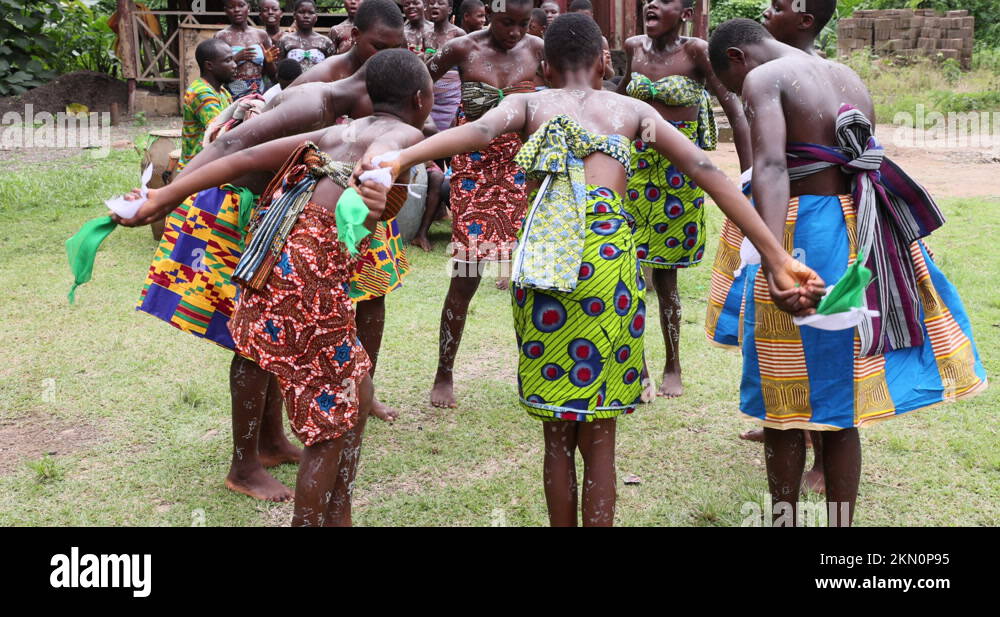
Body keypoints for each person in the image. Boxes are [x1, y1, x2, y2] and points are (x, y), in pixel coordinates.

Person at [358, 14, 823, 526]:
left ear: (545, 66)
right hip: (609, 266)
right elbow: (707, 170)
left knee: (556, 437)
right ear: (605, 62)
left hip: (544, 264)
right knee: (600, 438)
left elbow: (479, 132)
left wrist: (400, 158)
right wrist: (777, 257)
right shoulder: (631, 109)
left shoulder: (528, 103)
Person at [125, 49, 433, 526]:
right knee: (328, 431)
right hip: (309, 290)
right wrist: (381, 169)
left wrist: (163, 196)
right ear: (421, 97)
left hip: (264, 276)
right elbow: (388, 147)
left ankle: (339, 513)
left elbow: (241, 154)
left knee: (355, 387)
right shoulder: (402, 133)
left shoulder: (336, 132)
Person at [708, 18, 987, 526]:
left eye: (730, 90)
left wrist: (775, 259)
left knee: (783, 399)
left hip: (803, 233)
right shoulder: (844, 72)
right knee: (840, 401)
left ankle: (783, 520)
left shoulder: (763, 78)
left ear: (736, 59)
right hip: (859, 231)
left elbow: (770, 166)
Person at [710, 0, 837, 493]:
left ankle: (818, 449)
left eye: (780, 3)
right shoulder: (829, 72)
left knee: (809, 345)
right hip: (796, 220)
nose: (767, 7)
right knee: (786, 341)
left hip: (793, 225)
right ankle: (787, 423)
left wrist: (772, 250)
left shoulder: (787, 75)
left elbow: (774, 166)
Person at [617, 0, 751, 399]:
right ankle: (636, 366)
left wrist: (749, 178)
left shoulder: (696, 52)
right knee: (630, 269)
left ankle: (673, 363)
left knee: (666, 277)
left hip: (679, 175)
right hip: (635, 169)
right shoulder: (633, 47)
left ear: (687, 12)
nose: (652, 3)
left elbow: (734, 108)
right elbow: (621, 99)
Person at [421, 0, 544, 407]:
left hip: (522, 169)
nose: (514, 31)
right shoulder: (462, 48)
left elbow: (572, 93)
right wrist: (425, 131)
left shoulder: (537, 49)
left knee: (529, 278)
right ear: (490, 11)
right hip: (473, 169)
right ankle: (444, 372)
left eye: (523, 23)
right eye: (507, 22)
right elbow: (418, 83)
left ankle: (534, 372)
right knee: (466, 274)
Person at [288, 0, 407, 86]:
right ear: (355, 35)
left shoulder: (397, 73)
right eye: (379, 47)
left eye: (396, 48)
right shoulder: (322, 78)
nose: (389, 56)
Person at [180, 39, 236, 169]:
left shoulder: (222, 91)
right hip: (197, 169)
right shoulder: (202, 93)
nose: (234, 65)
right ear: (209, 66)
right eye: (228, 61)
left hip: (209, 163)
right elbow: (219, 133)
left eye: (233, 59)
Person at [216, 0, 277, 99]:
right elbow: (216, 71)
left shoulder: (261, 35)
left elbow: (273, 75)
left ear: (248, 8)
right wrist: (235, 59)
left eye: (241, 5)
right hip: (233, 93)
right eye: (231, 7)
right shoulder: (222, 36)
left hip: (258, 92)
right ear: (226, 10)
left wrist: (269, 61)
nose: (236, 10)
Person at [278, 0, 338, 72]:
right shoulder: (285, 40)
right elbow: (279, 70)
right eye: (301, 12)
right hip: (293, 83)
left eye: (311, 13)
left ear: (316, 17)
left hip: (319, 82)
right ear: (294, 15)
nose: (306, 16)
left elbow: (333, 69)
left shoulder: (325, 42)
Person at [566, 0, 613, 79]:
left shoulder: (601, 41)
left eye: (586, 17)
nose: (582, 21)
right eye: (578, 17)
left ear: (592, 16)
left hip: (596, 86)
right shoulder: (564, 39)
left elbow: (610, 76)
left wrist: (601, 59)